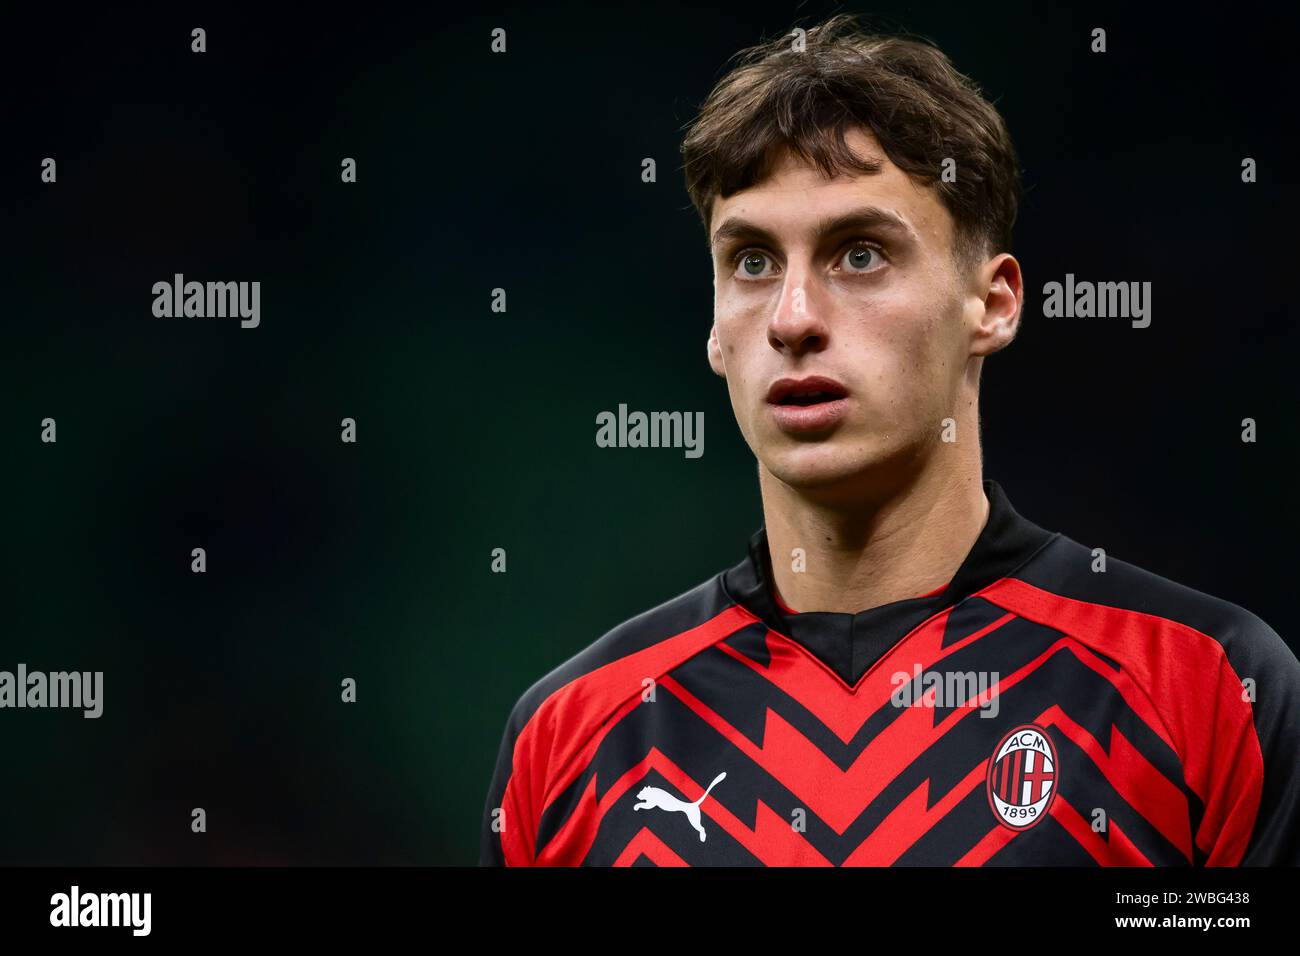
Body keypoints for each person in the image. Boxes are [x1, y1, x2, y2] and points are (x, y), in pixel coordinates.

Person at [479, 14, 1300, 866]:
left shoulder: (1208, 689)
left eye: (860, 253)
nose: (793, 319)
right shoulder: (572, 737)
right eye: (753, 262)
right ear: (716, 329)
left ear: (994, 303)